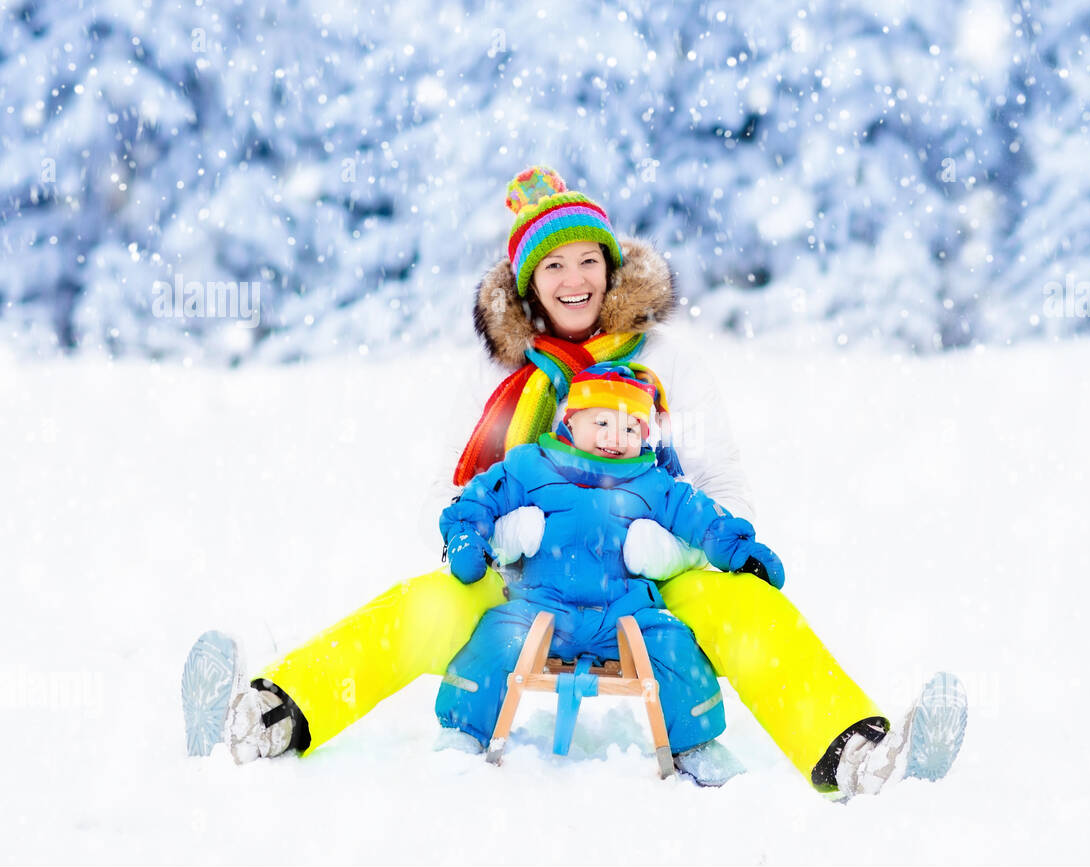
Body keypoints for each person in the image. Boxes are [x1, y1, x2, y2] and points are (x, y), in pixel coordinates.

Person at [184, 164, 964, 798]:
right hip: (527, 585)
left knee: (753, 609)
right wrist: (498, 542)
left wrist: (672, 550)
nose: (573, 279)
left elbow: (725, 482)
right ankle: (273, 714)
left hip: (650, 582)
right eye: (553, 264)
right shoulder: (501, 380)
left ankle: (858, 755)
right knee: (419, 609)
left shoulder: (666, 362)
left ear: (610, 268)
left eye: (587, 259)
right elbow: (446, 493)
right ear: (529, 284)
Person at [433, 362, 782, 781]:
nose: (617, 438)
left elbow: (702, 518)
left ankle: (696, 743)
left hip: (625, 610)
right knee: (494, 638)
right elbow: (478, 500)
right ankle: (463, 731)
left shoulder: (653, 482)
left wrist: (740, 551)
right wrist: (466, 536)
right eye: (602, 422)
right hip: (539, 605)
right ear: (570, 420)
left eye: (632, 429)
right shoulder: (531, 466)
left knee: (674, 647)